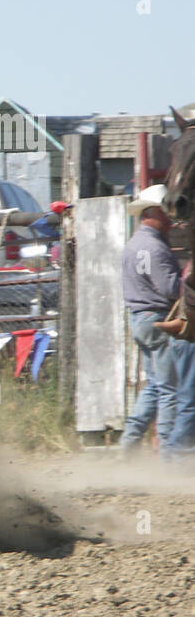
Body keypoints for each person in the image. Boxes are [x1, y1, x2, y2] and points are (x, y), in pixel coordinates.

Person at [119, 185, 185, 455]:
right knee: (169, 389)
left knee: (156, 386)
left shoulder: (133, 245)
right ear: (154, 213)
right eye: (166, 213)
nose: (170, 219)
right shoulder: (156, 248)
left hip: (139, 318)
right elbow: (170, 289)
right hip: (157, 319)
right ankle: (168, 452)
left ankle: (130, 442)